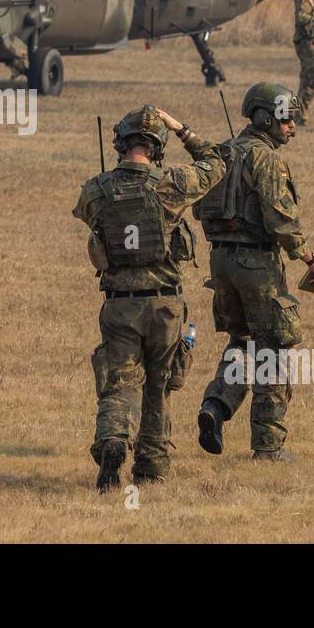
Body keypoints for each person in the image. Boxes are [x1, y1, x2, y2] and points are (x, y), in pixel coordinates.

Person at [72, 106, 226, 490]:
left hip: (120, 304)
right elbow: (216, 162)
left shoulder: (95, 189)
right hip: (164, 306)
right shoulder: (171, 184)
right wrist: (181, 128)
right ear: (157, 147)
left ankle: (112, 440)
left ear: (120, 142)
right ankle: (152, 466)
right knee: (160, 384)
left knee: (119, 383)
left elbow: (91, 218)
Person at [193, 83, 314, 462]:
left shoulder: (220, 153)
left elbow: (198, 208)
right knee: (274, 349)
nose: (292, 128)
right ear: (264, 118)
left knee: (242, 343)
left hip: (220, 263)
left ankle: (215, 407)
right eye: (287, 120)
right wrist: (310, 259)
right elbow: (280, 217)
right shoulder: (266, 159)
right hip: (257, 264)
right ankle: (268, 447)